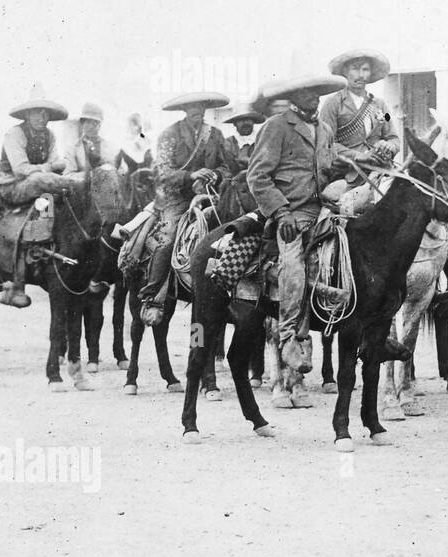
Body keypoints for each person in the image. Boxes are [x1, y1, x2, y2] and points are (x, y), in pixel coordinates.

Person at [246, 75, 350, 373]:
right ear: (294, 97)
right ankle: (290, 335)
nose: (313, 99)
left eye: (317, 94)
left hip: (323, 208)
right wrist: (281, 212)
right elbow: (257, 176)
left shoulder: (326, 129)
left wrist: (341, 178)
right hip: (291, 212)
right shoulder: (277, 125)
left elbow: (326, 170)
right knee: (294, 265)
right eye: (306, 94)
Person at [137, 92, 231, 324]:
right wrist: (190, 175)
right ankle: (153, 296)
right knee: (168, 238)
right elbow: (162, 172)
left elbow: (227, 167)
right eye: (191, 107)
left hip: (211, 197)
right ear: (184, 110)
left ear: (206, 109)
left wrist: (215, 174)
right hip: (175, 199)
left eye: (200, 106)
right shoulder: (170, 134)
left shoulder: (216, 135)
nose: (196, 111)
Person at [0, 96, 78, 308]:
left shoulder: (49, 135)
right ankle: (15, 282)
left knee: (65, 185)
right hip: (11, 186)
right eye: (38, 112)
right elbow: (21, 168)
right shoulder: (14, 134)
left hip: (40, 185)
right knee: (43, 179)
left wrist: (52, 168)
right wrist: (49, 168)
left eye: (46, 114)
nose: (43, 117)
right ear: (27, 114)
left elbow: (59, 161)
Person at [319, 49, 399, 171]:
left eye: (365, 69)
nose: (361, 75)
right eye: (355, 69)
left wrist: (389, 146)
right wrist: (358, 156)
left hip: (379, 168)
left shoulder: (380, 104)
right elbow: (326, 144)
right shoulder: (333, 103)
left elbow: (394, 138)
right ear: (345, 72)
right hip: (346, 172)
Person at [64, 103, 117, 174]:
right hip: (81, 183)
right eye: (88, 122)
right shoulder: (73, 148)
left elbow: (117, 170)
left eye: (95, 123)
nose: (91, 127)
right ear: (82, 124)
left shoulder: (108, 147)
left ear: (100, 125)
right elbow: (69, 174)